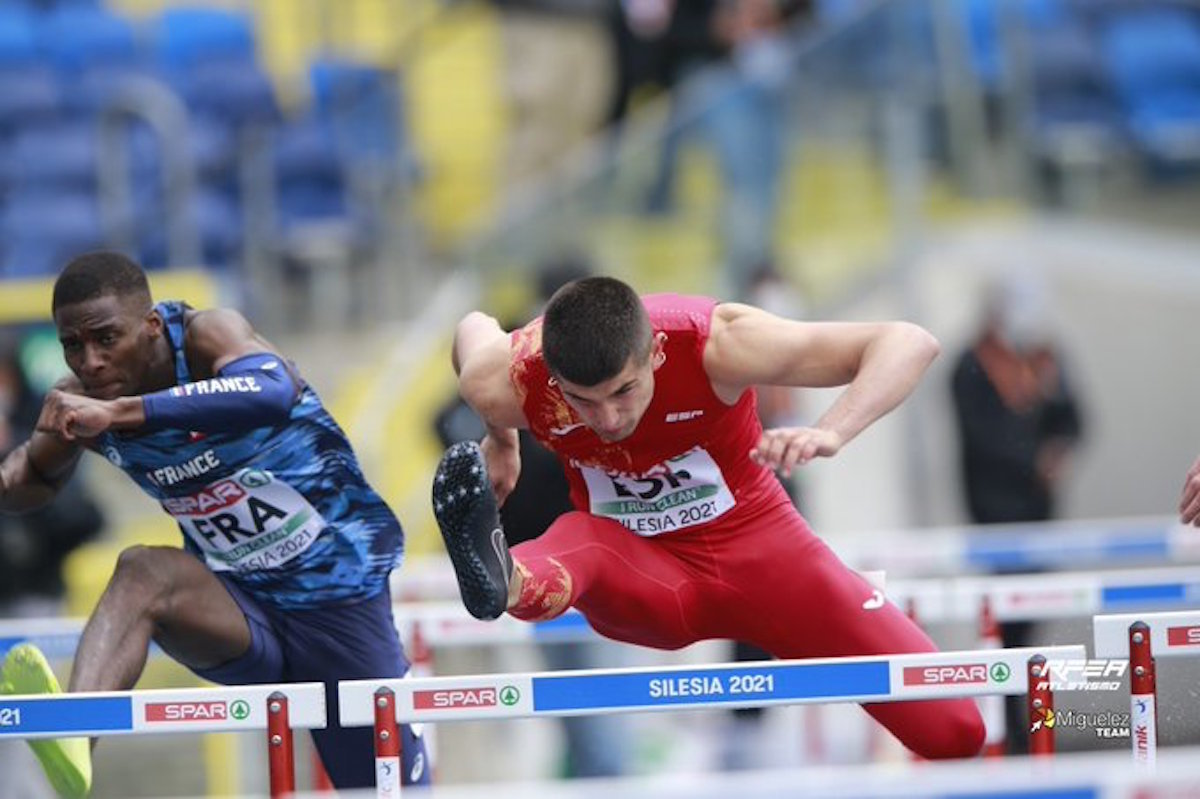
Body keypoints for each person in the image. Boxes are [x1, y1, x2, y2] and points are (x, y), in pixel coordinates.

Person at [431, 275, 985, 760]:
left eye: (625, 390)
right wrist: (501, 441)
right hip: (643, 572)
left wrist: (831, 429)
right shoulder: (513, 381)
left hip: (767, 561)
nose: (609, 417)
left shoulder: (716, 343)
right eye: (583, 401)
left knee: (956, 729)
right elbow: (473, 327)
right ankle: (506, 582)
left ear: (653, 353)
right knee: (582, 540)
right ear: (554, 379)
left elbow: (909, 341)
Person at [0, 251, 429, 798]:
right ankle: (75, 739)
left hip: (338, 600)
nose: (91, 362)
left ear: (151, 326)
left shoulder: (206, 337)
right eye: (73, 346)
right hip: (238, 612)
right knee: (142, 571)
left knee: (382, 788)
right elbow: (30, 478)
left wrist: (126, 413)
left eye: (106, 338)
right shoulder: (82, 401)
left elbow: (275, 388)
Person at [950, 273, 1084, 754]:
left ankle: (1031, 726)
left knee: (1033, 635)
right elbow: (982, 441)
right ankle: (1012, 735)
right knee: (1006, 639)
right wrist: (1033, 461)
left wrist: (1056, 448)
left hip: (1039, 517)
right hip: (995, 517)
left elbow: (1075, 420)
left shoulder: (1046, 358)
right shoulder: (971, 365)